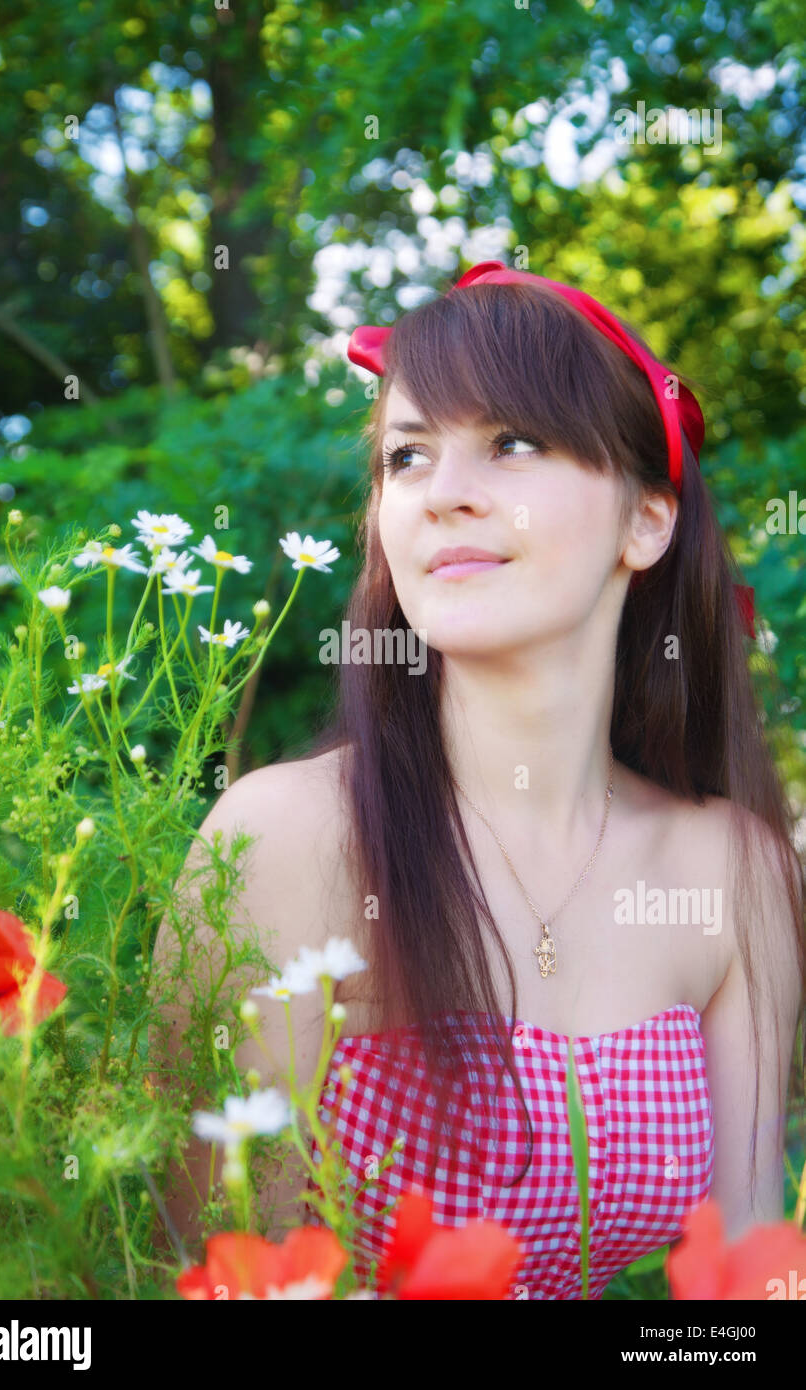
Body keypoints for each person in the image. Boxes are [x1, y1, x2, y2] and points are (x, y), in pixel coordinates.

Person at [151, 261, 805, 1300]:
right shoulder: (290, 838)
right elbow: (209, 1270)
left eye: (511, 442)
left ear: (645, 520)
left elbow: (743, 1288)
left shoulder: (730, 867)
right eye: (406, 456)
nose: (444, 492)